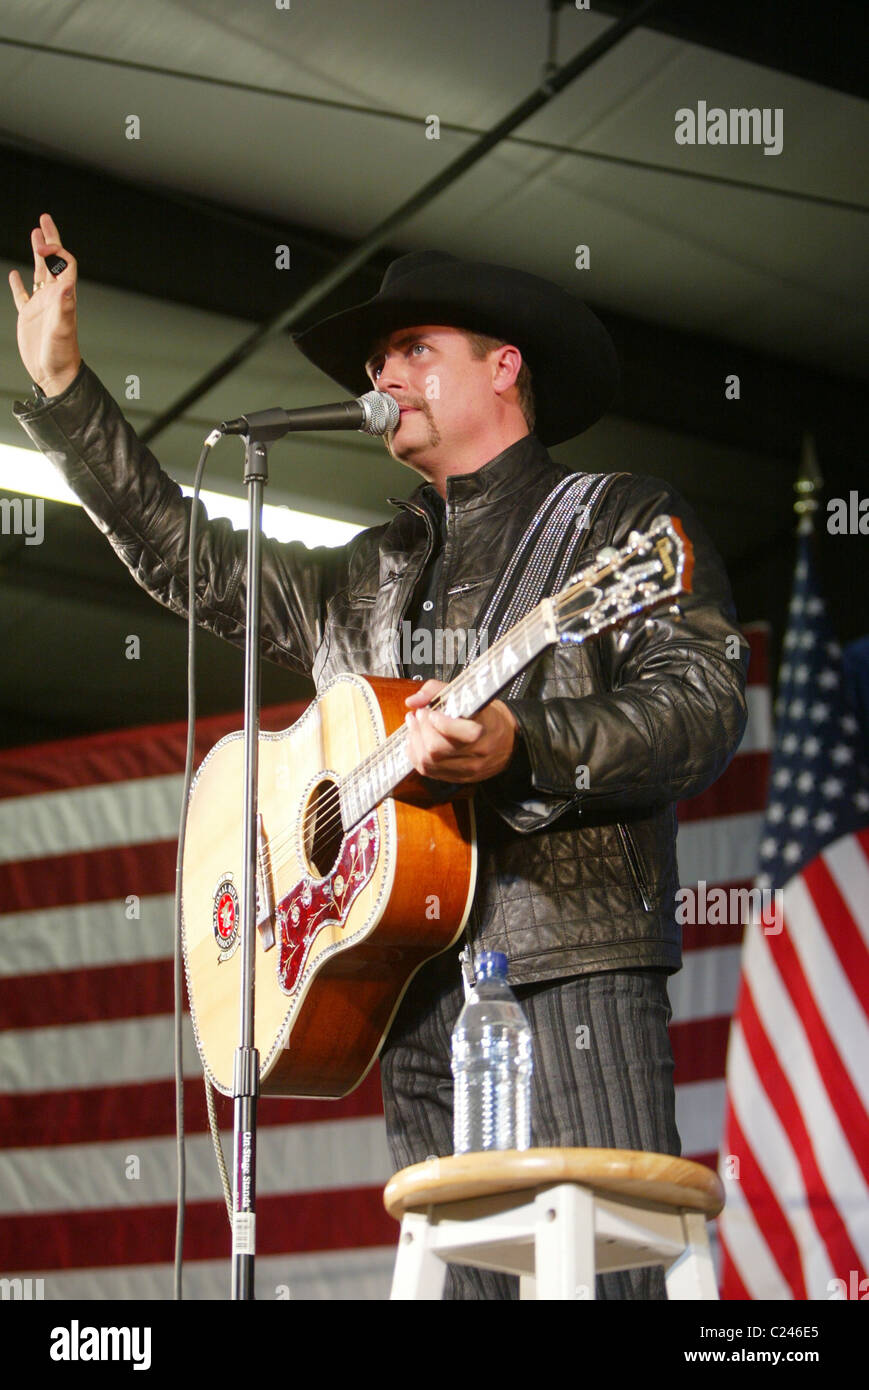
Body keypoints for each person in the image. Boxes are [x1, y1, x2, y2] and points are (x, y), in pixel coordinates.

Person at [10, 214, 748, 1300]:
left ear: (504, 365)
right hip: (403, 978)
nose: (384, 372)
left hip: (566, 964)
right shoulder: (362, 574)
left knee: (606, 1287)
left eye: (414, 349)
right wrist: (68, 394)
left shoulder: (618, 524)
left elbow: (701, 708)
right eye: (375, 361)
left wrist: (522, 743)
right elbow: (187, 558)